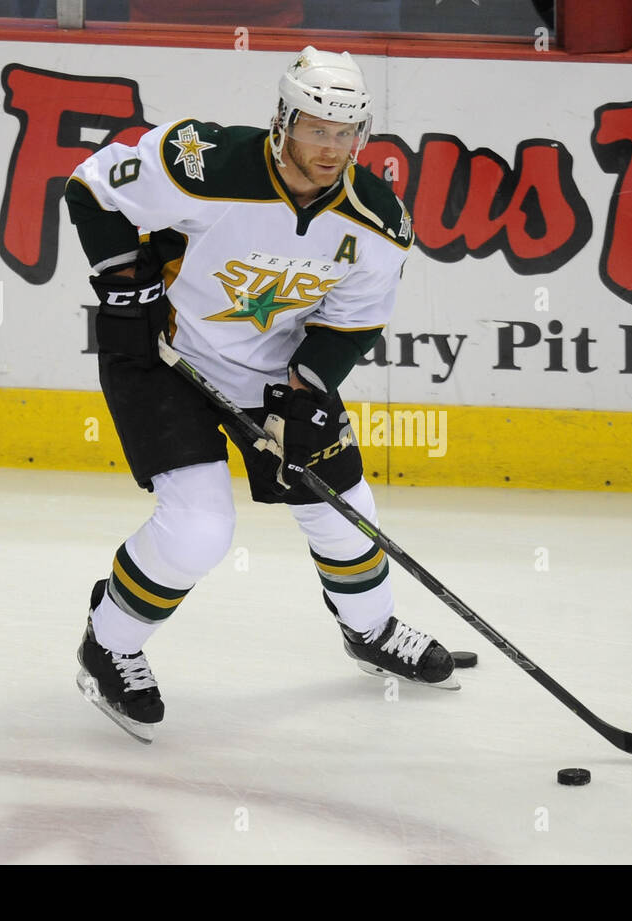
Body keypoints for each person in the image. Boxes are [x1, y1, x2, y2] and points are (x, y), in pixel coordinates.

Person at [63, 46, 456, 743]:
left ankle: (370, 631)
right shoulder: (204, 163)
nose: (331, 148)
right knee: (200, 529)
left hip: (274, 373)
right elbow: (92, 187)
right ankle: (109, 644)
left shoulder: (376, 218)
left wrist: (306, 393)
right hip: (165, 355)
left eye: (346, 132)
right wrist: (124, 283)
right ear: (283, 120)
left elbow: (353, 321)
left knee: (345, 511)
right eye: (316, 129)